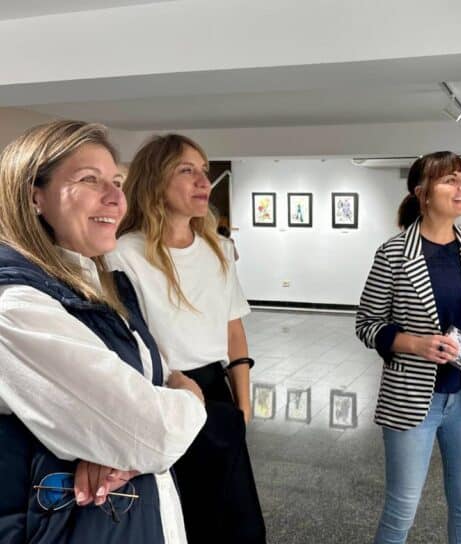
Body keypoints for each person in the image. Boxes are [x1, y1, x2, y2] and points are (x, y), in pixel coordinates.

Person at [0, 120, 207, 543]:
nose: (115, 198)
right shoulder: (15, 306)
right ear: (34, 196)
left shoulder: (101, 283)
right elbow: (155, 433)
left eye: (117, 181)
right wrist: (190, 397)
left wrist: (123, 444)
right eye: (89, 180)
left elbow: (157, 382)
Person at [109, 133, 266, 543]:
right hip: (162, 394)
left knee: (237, 522)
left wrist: (244, 408)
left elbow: (233, 327)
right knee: (183, 518)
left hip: (216, 390)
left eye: (204, 171)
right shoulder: (124, 254)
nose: (203, 182)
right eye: (187, 171)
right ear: (156, 182)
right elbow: (124, 343)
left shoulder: (219, 248)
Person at [356, 151, 461, 544]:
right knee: (402, 507)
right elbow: (367, 323)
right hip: (412, 399)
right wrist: (414, 343)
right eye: (449, 180)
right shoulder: (393, 253)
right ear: (422, 194)